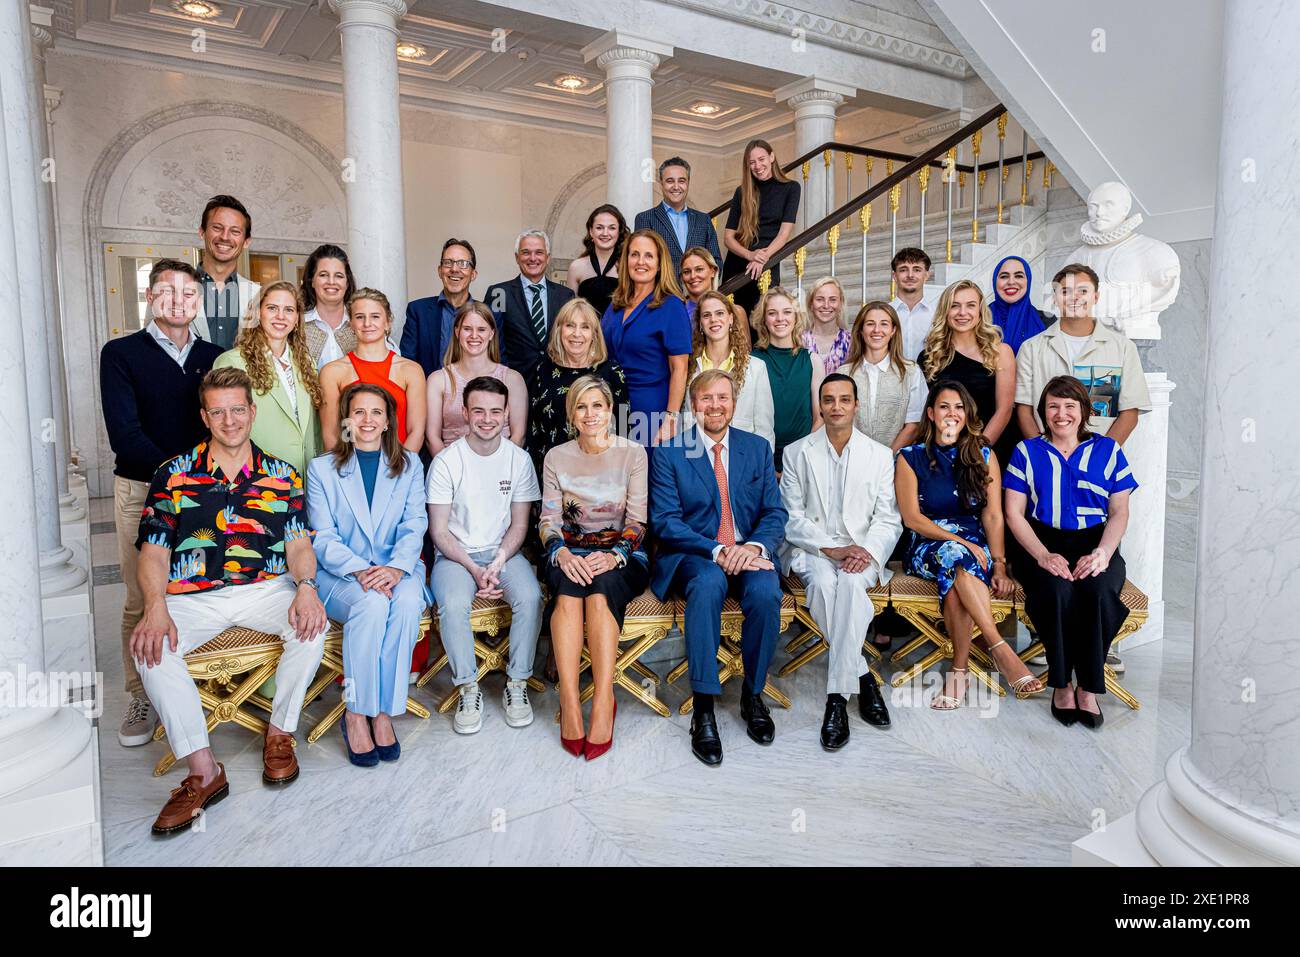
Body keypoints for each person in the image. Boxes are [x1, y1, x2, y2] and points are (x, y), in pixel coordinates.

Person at [130, 367, 327, 834]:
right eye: (218, 412)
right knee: (151, 650)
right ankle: (203, 770)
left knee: (311, 627)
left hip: (265, 588)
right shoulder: (173, 474)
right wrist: (154, 604)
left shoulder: (281, 474)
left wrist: (306, 587)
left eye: (238, 409)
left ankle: (280, 735)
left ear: (252, 412)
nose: (230, 420)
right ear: (204, 416)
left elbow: (299, 544)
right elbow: (153, 550)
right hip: (194, 594)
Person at [100, 259, 223, 748]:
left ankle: (198, 680)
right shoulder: (122, 354)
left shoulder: (215, 356)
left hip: (205, 495)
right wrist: (180, 480)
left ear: (199, 302)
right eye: (168, 291)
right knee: (142, 596)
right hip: (142, 491)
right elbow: (124, 434)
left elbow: (223, 423)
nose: (179, 300)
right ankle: (139, 694)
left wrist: (205, 486)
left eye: (189, 293)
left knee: (198, 588)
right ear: (151, 297)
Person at [650, 369, 788, 766]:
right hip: (696, 554)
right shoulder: (671, 452)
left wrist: (754, 547)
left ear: (734, 403)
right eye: (706, 398)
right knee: (708, 584)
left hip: (748, 550)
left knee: (765, 591)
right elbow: (666, 521)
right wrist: (716, 550)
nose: (715, 406)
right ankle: (705, 707)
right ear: (694, 405)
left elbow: (774, 512)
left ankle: (752, 694)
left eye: (722, 398)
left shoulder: (757, 448)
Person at [894, 382, 1044, 709]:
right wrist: (961, 541)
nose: (952, 414)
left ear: (967, 415)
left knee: (957, 577)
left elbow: (992, 515)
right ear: (931, 414)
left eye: (959, 407)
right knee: (955, 555)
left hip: (975, 548)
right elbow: (911, 519)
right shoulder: (910, 457)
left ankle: (958, 672)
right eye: (945, 407)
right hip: (927, 543)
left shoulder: (983, 455)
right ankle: (999, 646)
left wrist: (1000, 564)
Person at [1003, 376, 1137, 730]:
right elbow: (1014, 514)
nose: (1061, 414)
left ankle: (1089, 689)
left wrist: (1104, 553)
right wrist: (1043, 555)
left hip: (1096, 542)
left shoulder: (1109, 451)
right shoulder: (1027, 451)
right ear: (1043, 412)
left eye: (1069, 406)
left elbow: (1119, 512)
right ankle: (1062, 685)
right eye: (1052, 406)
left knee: (1098, 592)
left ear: (1084, 411)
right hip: (1040, 542)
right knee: (1056, 592)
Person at [307, 383, 429, 765]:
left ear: (389, 420)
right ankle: (357, 711)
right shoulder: (322, 469)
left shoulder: (409, 465)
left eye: (376, 413)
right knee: (373, 606)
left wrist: (394, 568)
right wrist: (363, 570)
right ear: (345, 419)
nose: (367, 421)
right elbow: (323, 538)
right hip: (341, 574)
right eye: (358, 412)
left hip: (399, 567)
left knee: (408, 602)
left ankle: (384, 712)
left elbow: (415, 524)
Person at [780, 374, 901, 747]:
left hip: (861, 548)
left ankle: (836, 700)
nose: (836, 407)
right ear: (821, 406)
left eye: (844, 400)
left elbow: (888, 518)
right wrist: (828, 549)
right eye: (829, 400)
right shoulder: (796, 451)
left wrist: (867, 551)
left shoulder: (879, 455)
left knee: (849, 583)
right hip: (814, 548)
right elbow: (791, 517)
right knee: (822, 581)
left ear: (856, 405)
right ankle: (862, 678)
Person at [539, 376, 648, 760]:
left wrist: (614, 554)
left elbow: (638, 522)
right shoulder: (556, 456)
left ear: (609, 411)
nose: (590, 414)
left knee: (600, 591)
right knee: (567, 594)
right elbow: (548, 521)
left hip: (623, 554)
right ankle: (569, 701)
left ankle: (603, 699)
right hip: (567, 551)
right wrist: (562, 554)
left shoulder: (633, 454)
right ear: (572, 413)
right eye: (581, 406)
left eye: (597, 405)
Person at [427, 377, 543, 734]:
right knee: (453, 602)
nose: (487, 418)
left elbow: (520, 525)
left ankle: (517, 683)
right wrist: (473, 569)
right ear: (464, 412)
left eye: (496, 411)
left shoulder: (519, 460)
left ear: (507, 413)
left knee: (531, 596)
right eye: (478, 410)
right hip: (455, 556)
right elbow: (440, 530)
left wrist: (495, 563)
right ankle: (468, 687)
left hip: (502, 552)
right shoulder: (447, 461)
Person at [1015, 263, 1151, 448]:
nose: (1074, 297)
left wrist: (1100, 456)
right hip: (1047, 460)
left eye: (1082, 290)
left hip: (1100, 463)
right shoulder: (1031, 348)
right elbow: (1024, 410)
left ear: (1096, 296)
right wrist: (1044, 456)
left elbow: (1129, 413)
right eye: (1065, 291)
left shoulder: (1123, 348)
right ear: (1055, 298)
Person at [212, 280, 323, 475]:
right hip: (258, 479)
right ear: (257, 313)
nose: (281, 316)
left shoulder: (307, 363)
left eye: (289, 310)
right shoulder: (232, 362)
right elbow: (224, 428)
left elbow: (313, 429)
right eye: (272, 308)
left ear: (297, 318)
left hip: (306, 475)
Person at [600, 228, 692, 446]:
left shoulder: (671, 306)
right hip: (612, 406)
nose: (640, 261)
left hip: (651, 410)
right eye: (635, 254)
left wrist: (671, 418)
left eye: (649, 255)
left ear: (660, 264)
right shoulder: (614, 306)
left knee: (646, 475)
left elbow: (680, 368)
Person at [524, 298, 628, 478]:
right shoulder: (543, 369)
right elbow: (535, 429)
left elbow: (623, 428)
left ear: (595, 334)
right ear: (559, 330)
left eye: (585, 327)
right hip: (552, 474)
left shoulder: (610, 372)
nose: (577, 334)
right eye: (570, 325)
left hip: (600, 474)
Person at [919, 279, 1017, 465]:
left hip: (990, 450)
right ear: (945, 311)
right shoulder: (929, 357)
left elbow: (1004, 410)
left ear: (980, 312)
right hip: (945, 451)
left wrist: (978, 452)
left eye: (970, 305)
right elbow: (929, 413)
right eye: (954, 306)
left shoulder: (1000, 352)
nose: (962, 313)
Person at [320, 288, 427, 454]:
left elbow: (416, 431)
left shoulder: (411, 370)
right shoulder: (333, 372)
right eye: (360, 317)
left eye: (375, 316)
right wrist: (349, 471)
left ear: (387, 322)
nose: (367, 323)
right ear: (351, 324)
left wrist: (399, 471)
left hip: (399, 465)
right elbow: (333, 434)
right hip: (350, 467)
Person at [426, 301, 527, 457]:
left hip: (501, 467)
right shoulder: (438, 380)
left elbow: (518, 436)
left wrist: (497, 468)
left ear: (492, 333)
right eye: (467, 329)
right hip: (453, 469)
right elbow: (432, 438)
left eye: (481, 329)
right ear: (457, 332)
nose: (474, 335)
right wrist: (451, 471)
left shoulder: (512, 379)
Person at [681, 290, 774, 448]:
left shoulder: (756, 367)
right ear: (700, 324)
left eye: (719, 313)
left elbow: (765, 429)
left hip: (743, 456)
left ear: (730, 319)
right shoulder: (689, 367)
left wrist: (758, 466)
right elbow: (685, 420)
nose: (713, 320)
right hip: (698, 456)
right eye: (706, 315)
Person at [721, 139, 800, 315]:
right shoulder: (742, 192)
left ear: (772, 157)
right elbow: (728, 237)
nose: (757, 166)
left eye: (761, 159)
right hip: (738, 262)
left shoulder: (791, 188)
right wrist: (750, 255)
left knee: (764, 318)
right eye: (752, 162)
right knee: (735, 320)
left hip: (767, 261)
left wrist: (762, 257)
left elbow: (784, 233)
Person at [750, 285, 824, 472]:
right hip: (761, 459)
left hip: (803, 458)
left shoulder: (812, 360)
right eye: (772, 313)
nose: (780, 318)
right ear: (764, 319)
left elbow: (819, 417)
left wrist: (799, 458)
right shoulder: (752, 361)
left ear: (796, 317)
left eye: (787, 312)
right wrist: (764, 464)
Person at [485, 229, 576, 380]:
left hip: (556, 382)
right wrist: (502, 378)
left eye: (539, 252)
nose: (532, 258)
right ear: (517, 257)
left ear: (548, 258)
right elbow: (493, 341)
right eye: (526, 252)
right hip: (513, 382)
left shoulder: (565, 295)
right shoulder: (498, 293)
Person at [837, 300, 925, 452]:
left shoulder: (911, 372)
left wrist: (886, 459)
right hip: (852, 460)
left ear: (893, 330)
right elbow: (838, 422)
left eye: (884, 324)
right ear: (861, 330)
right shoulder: (843, 374)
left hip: (895, 463)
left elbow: (914, 425)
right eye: (870, 324)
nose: (877, 330)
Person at [634, 156, 722, 278]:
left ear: (688, 183)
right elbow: (643, 264)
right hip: (662, 295)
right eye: (670, 181)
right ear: (661, 183)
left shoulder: (704, 220)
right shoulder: (645, 219)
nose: (676, 187)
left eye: (681, 181)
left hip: (697, 294)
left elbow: (716, 261)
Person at [402, 238, 479, 378]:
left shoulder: (490, 314)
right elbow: (407, 364)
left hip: (475, 395)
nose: (454, 269)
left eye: (463, 264)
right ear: (440, 271)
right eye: (448, 263)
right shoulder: (417, 311)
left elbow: (497, 362)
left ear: (473, 274)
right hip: (428, 394)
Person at [192, 194, 260, 351]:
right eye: (217, 228)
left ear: (246, 241)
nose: (224, 237)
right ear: (202, 232)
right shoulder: (173, 287)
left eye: (235, 231)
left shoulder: (257, 295)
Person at [300, 243, 358, 369]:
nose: (331, 282)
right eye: (323, 275)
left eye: (339, 276)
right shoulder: (297, 326)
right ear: (312, 281)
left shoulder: (362, 324)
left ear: (347, 283)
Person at [565, 205, 627, 318]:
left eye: (612, 228)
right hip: (587, 333)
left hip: (619, 334)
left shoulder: (627, 266)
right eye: (599, 228)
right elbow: (570, 312)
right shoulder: (576, 267)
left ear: (619, 232)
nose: (605, 233)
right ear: (591, 231)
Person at [990, 255, 1054, 355]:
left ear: (1028, 281)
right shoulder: (979, 319)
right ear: (995, 281)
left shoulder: (1048, 321)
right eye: (1004, 276)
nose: (1011, 282)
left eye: (1019, 276)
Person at [679, 246, 747, 328]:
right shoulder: (677, 313)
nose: (693, 276)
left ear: (713, 271)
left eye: (699, 269)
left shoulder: (736, 312)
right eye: (687, 272)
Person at [889, 247, 935, 362]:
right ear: (894, 276)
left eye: (917, 270)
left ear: (926, 275)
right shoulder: (884, 313)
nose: (910, 275)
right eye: (903, 270)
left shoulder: (937, 314)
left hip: (928, 378)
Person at [803, 277, 852, 375]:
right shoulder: (799, 340)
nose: (826, 305)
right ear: (811, 304)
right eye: (820, 299)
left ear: (841, 304)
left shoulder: (851, 341)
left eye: (833, 300)